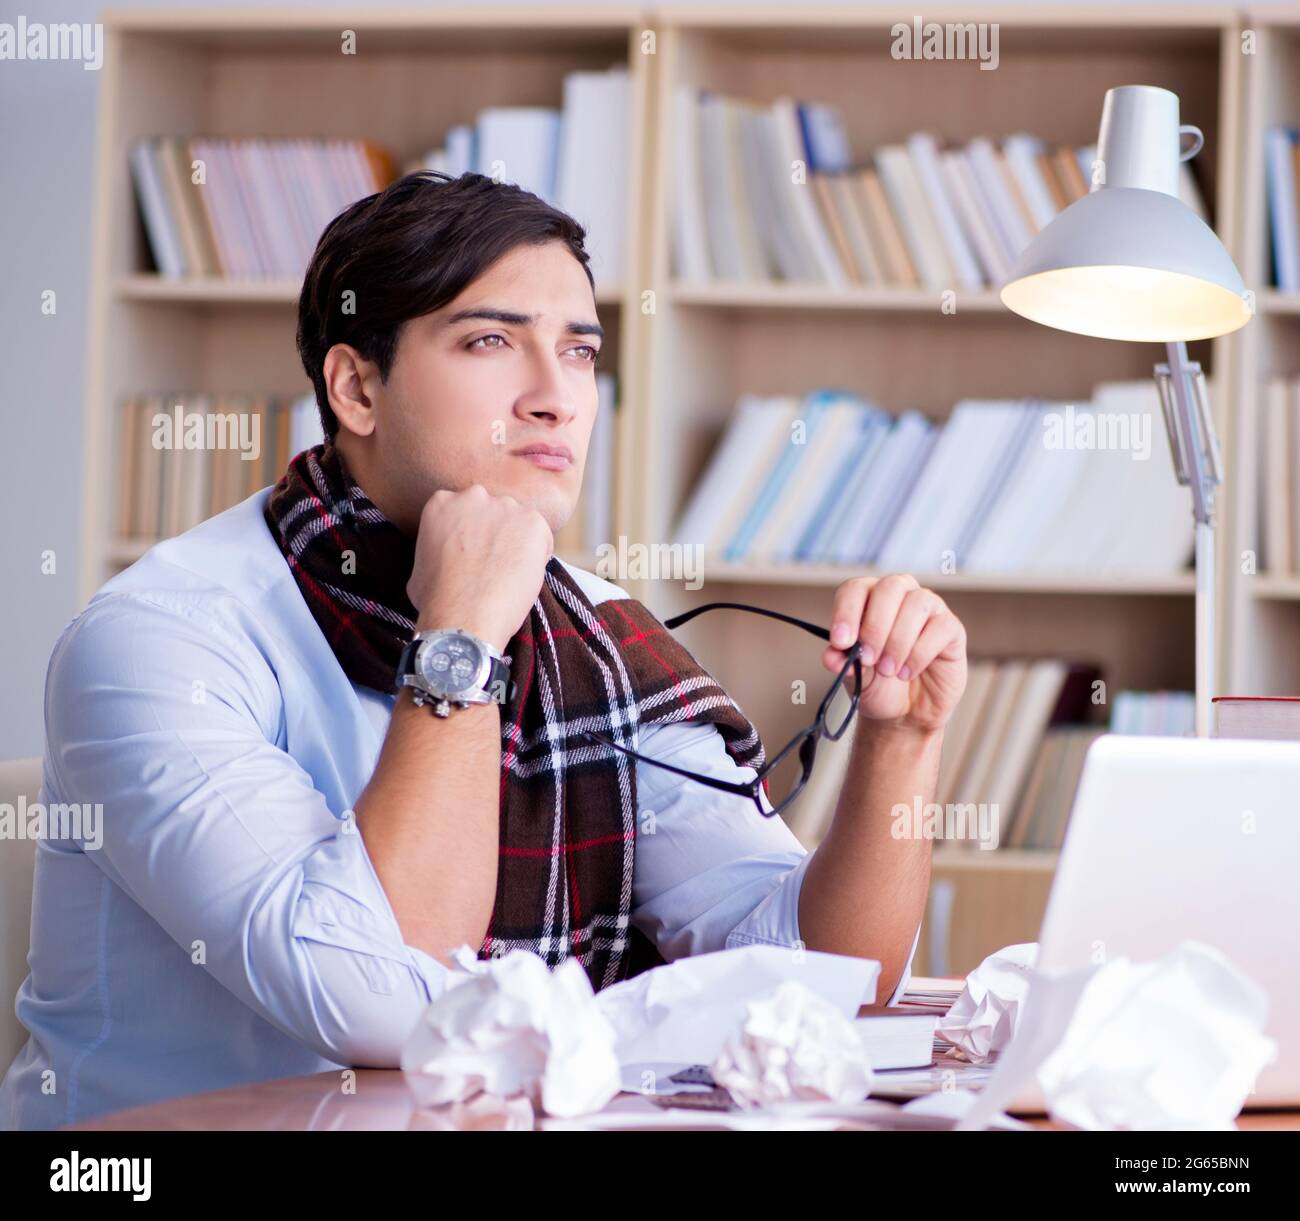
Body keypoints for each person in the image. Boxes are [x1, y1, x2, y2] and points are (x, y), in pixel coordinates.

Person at [0, 171, 967, 1129]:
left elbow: (816, 980)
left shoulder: (590, 633)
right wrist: (462, 636)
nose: (557, 398)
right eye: (493, 340)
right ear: (356, 386)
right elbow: (383, 993)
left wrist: (902, 743)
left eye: (581, 352)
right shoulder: (158, 637)